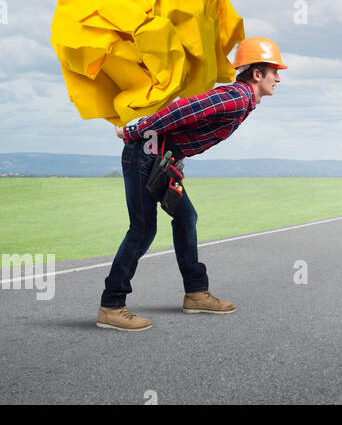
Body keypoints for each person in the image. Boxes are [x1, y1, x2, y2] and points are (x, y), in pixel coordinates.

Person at [96, 37, 287, 331]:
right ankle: (111, 305)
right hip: (145, 153)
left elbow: (188, 126)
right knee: (143, 229)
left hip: (160, 157)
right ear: (257, 74)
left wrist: (176, 159)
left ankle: (196, 293)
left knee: (186, 217)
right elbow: (183, 110)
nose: (278, 77)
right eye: (274, 70)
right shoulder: (237, 97)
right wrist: (135, 130)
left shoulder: (243, 101)